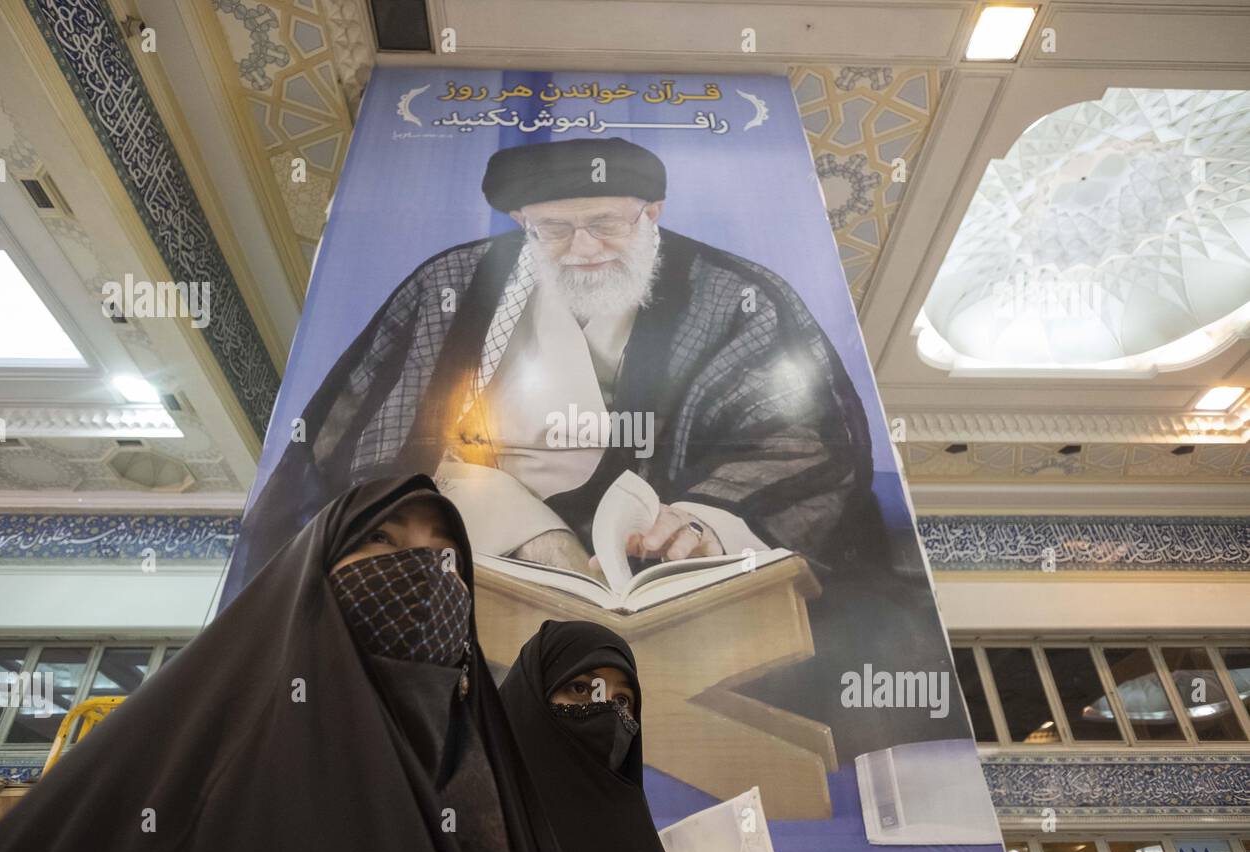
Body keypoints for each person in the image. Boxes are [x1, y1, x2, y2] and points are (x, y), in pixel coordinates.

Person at [221, 136, 882, 607]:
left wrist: (703, 524)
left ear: (651, 214)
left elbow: (802, 441)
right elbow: (373, 437)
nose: (584, 248)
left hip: (665, 535)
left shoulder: (735, 295)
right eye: (554, 230)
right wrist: (529, 533)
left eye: (605, 224)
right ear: (521, 222)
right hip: (484, 532)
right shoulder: (454, 284)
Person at [0, 474, 562, 852]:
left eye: (446, 553)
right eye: (381, 537)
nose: (426, 568)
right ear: (311, 576)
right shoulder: (189, 739)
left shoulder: (484, 777)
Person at [498, 619, 670, 852]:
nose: (607, 710)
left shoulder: (638, 845)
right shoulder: (470, 821)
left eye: (621, 701)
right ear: (531, 699)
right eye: (580, 688)